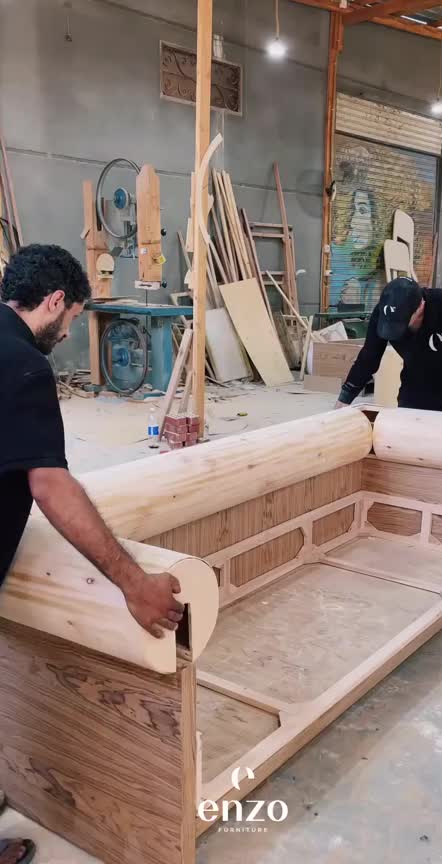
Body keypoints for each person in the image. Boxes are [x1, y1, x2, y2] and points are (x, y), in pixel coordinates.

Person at [0, 245, 184, 864]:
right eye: (74, 316)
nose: (72, 329)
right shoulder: (23, 366)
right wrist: (134, 583)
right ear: (53, 303)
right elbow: (49, 484)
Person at [336, 276, 442, 414]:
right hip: (412, 393)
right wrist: (344, 399)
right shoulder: (384, 313)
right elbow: (369, 357)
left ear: (420, 307)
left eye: (401, 324)